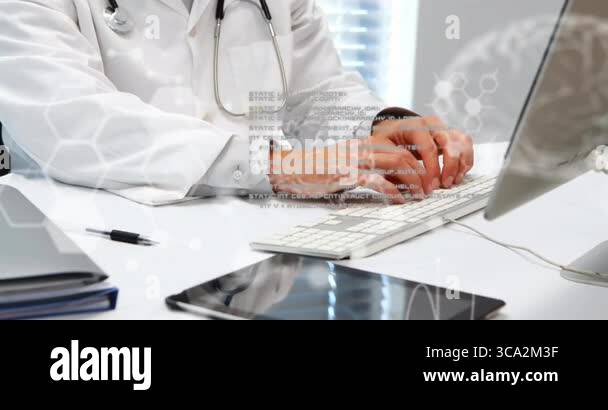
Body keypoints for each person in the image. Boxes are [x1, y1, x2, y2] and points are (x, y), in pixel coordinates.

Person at [0, 0, 473, 206]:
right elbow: (70, 121)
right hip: (99, 252)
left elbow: (313, 93)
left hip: (252, 254)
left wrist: (379, 124)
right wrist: (278, 167)